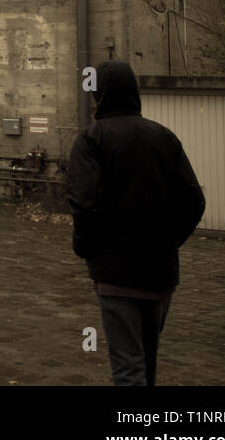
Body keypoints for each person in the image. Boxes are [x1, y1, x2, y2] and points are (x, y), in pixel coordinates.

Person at [66, 60, 206, 386]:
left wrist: (87, 248)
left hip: (115, 275)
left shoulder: (92, 140)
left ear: (99, 95)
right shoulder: (163, 137)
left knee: (129, 367)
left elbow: (83, 203)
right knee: (147, 360)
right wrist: (168, 241)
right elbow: (194, 201)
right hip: (160, 273)